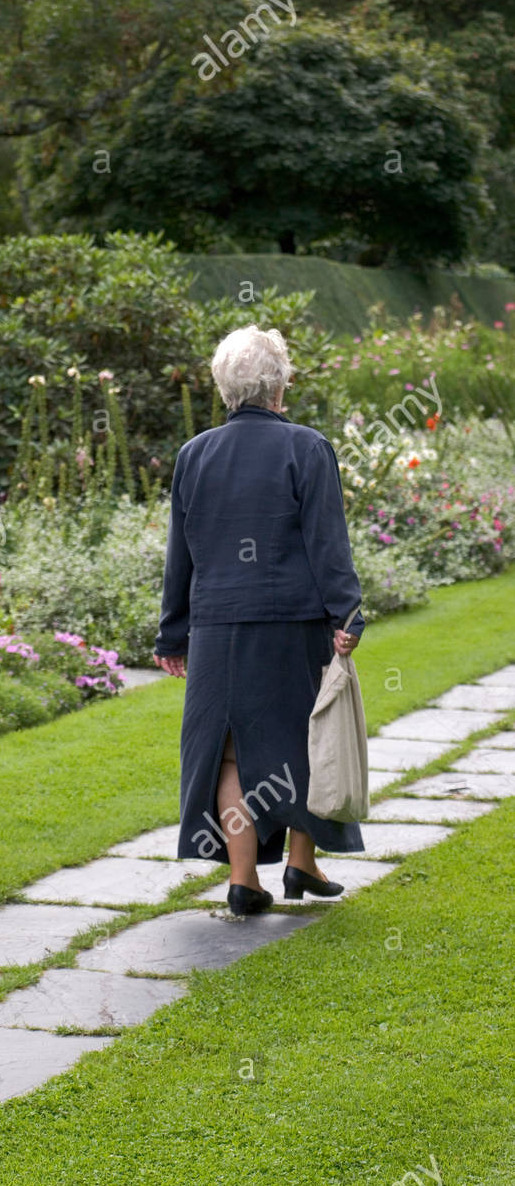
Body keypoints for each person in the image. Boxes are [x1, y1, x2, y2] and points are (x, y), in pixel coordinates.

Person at [153, 324, 365, 917]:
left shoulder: (194, 454)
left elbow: (182, 554)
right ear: (279, 385)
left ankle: (245, 878)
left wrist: (173, 632)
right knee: (306, 738)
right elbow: (328, 543)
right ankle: (300, 861)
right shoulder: (307, 446)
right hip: (291, 623)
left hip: (217, 626)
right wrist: (346, 614)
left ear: (226, 386)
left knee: (229, 753)